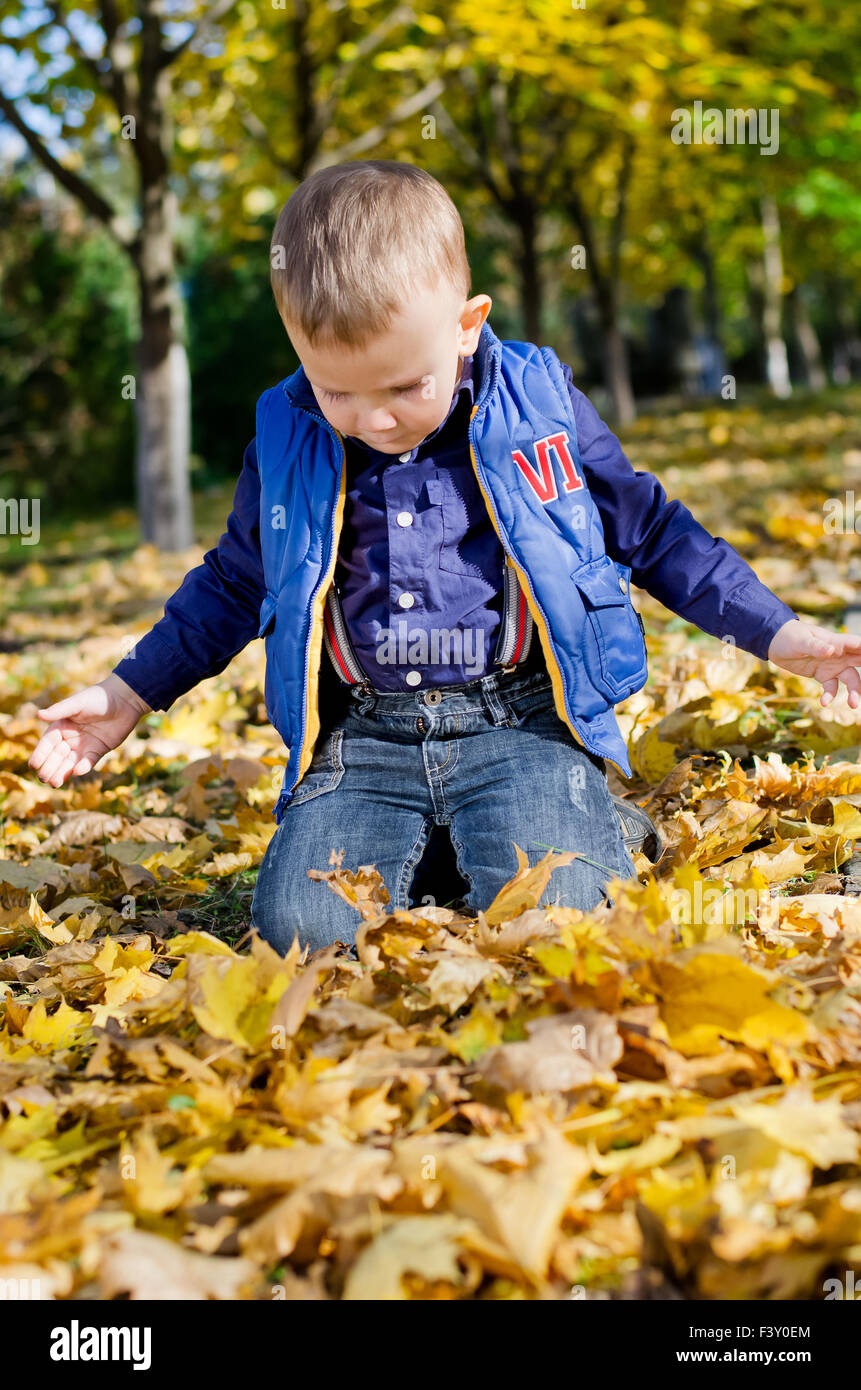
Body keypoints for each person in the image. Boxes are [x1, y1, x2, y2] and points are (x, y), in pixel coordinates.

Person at [26, 161, 861, 955]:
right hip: (364, 743)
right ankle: (433, 843)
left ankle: (567, 819)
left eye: (402, 388)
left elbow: (652, 532)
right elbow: (236, 581)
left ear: (468, 326)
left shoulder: (537, 405)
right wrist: (126, 695)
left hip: (522, 725)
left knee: (564, 918)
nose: (372, 420)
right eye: (337, 390)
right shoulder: (287, 432)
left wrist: (779, 635)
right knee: (301, 933)